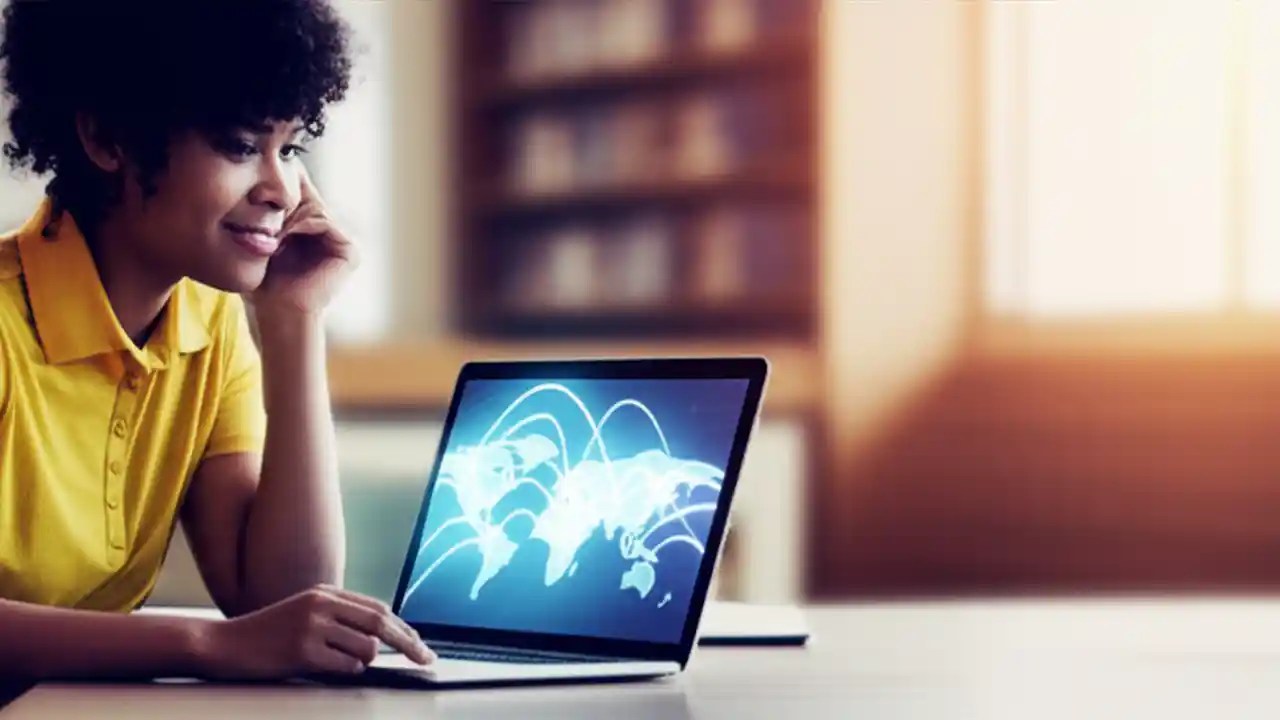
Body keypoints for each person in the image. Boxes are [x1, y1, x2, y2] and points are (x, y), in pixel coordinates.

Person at [0, 0, 433, 682]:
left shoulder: (211, 325)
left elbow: (286, 604)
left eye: (289, 148)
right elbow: (253, 633)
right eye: (239, 146)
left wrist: (293, 323)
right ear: (109, 138)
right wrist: (203, 644)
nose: (282, 188)